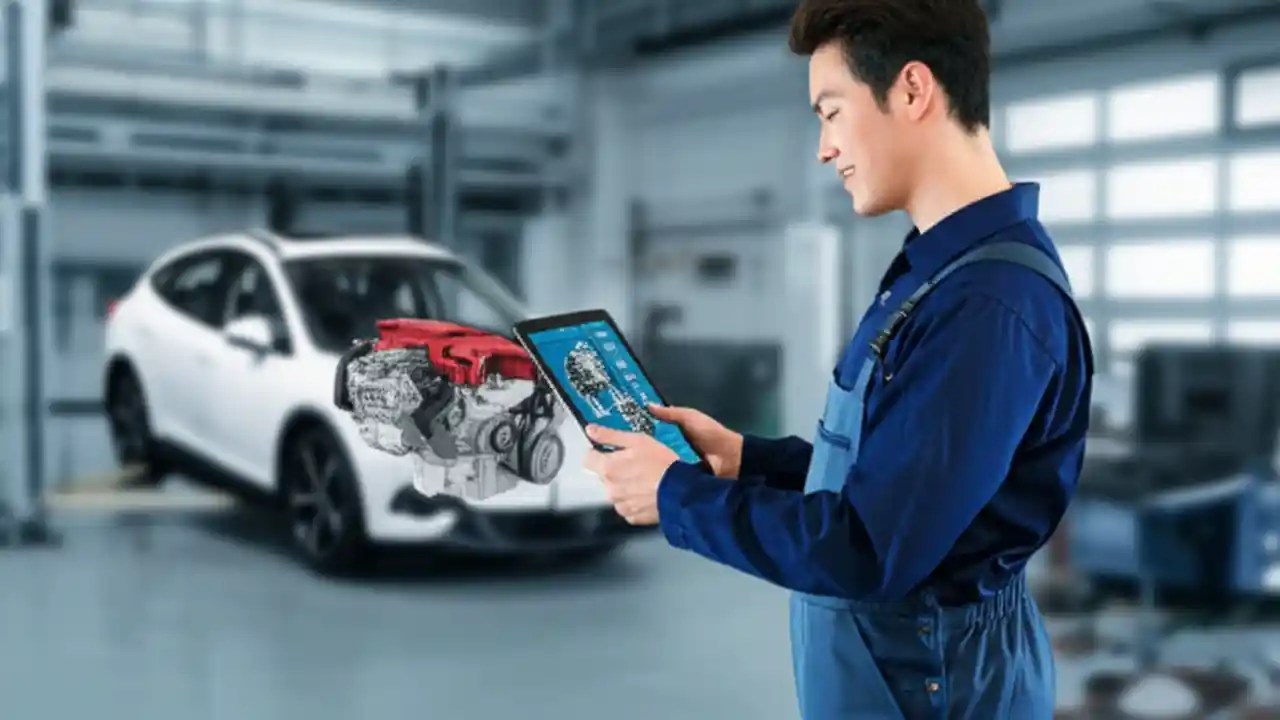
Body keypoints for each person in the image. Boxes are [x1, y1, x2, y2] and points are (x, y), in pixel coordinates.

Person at [582, 0, 1094, 718]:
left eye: (831, 112)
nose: (824, 148)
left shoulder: (987, 305)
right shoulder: (940, 274)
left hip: (935, 690)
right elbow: (896, 480)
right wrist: (747, 459)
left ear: (912, 90)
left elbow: (868, 548)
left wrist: (675, 496)